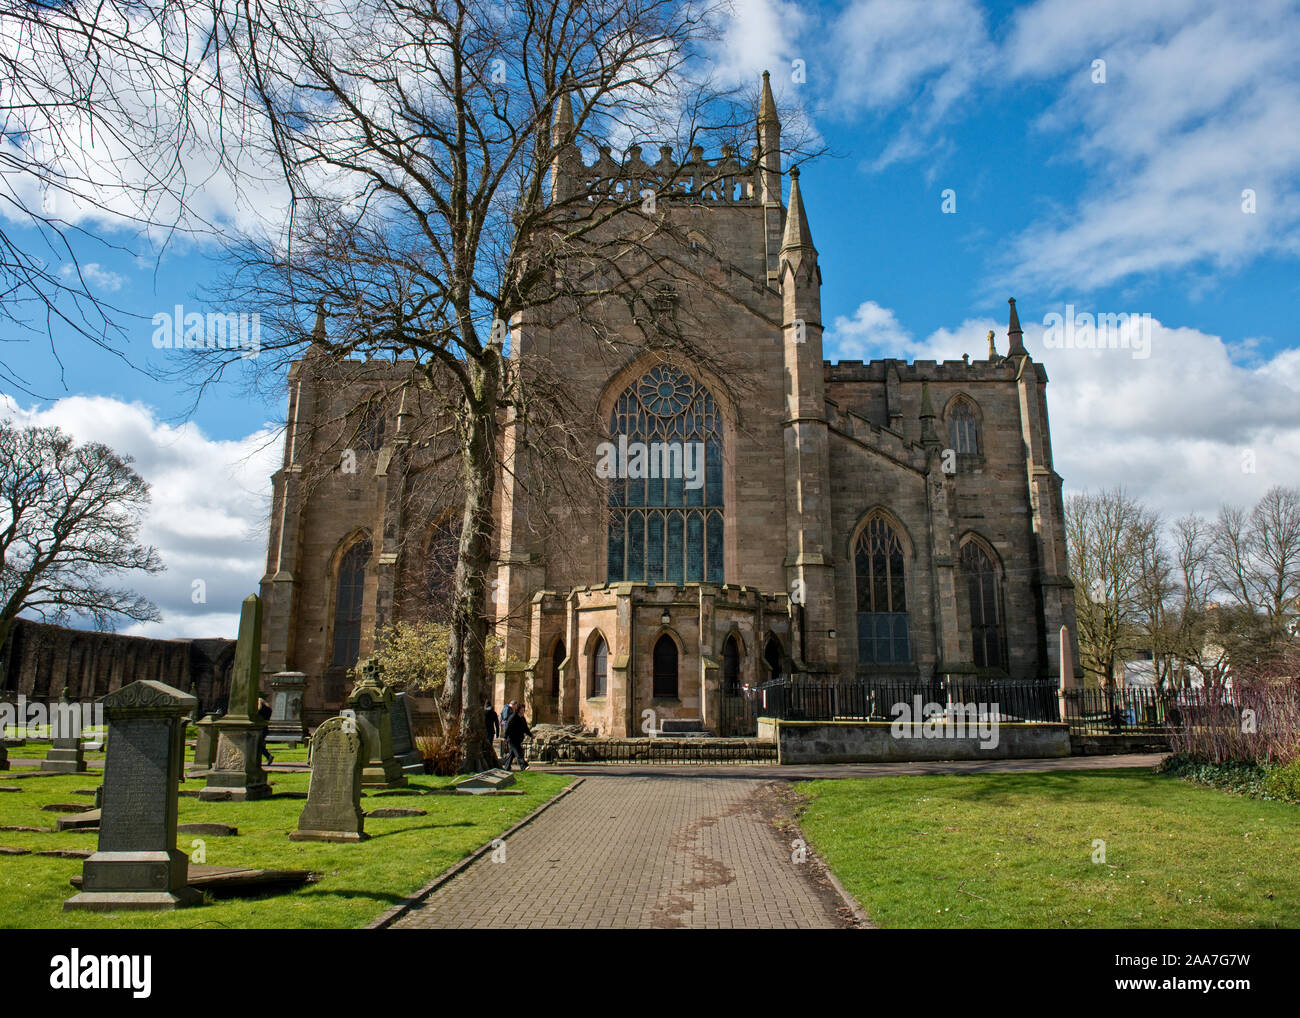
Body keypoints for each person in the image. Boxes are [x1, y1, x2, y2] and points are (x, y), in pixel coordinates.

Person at [501, 702, 531, 771]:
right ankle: (524, 766)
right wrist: (505, 737)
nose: (523, 711)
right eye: (521, 709)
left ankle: (507, 767)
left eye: (523, 710)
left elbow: (525, 728)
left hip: (518, 738)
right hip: (512, 739)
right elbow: (508, 727)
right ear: (518, 710)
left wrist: (530, 734)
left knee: (512, 753)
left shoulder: (522, 719)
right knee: (518, 752)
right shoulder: (513, 717)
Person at [257, 695, 274, 766]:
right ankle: (267, 756)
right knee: (259, 744)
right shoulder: (268, 709)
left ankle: (268, 756)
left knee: (258, 745)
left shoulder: (259, 710)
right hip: (265, 728)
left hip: (259, 728)